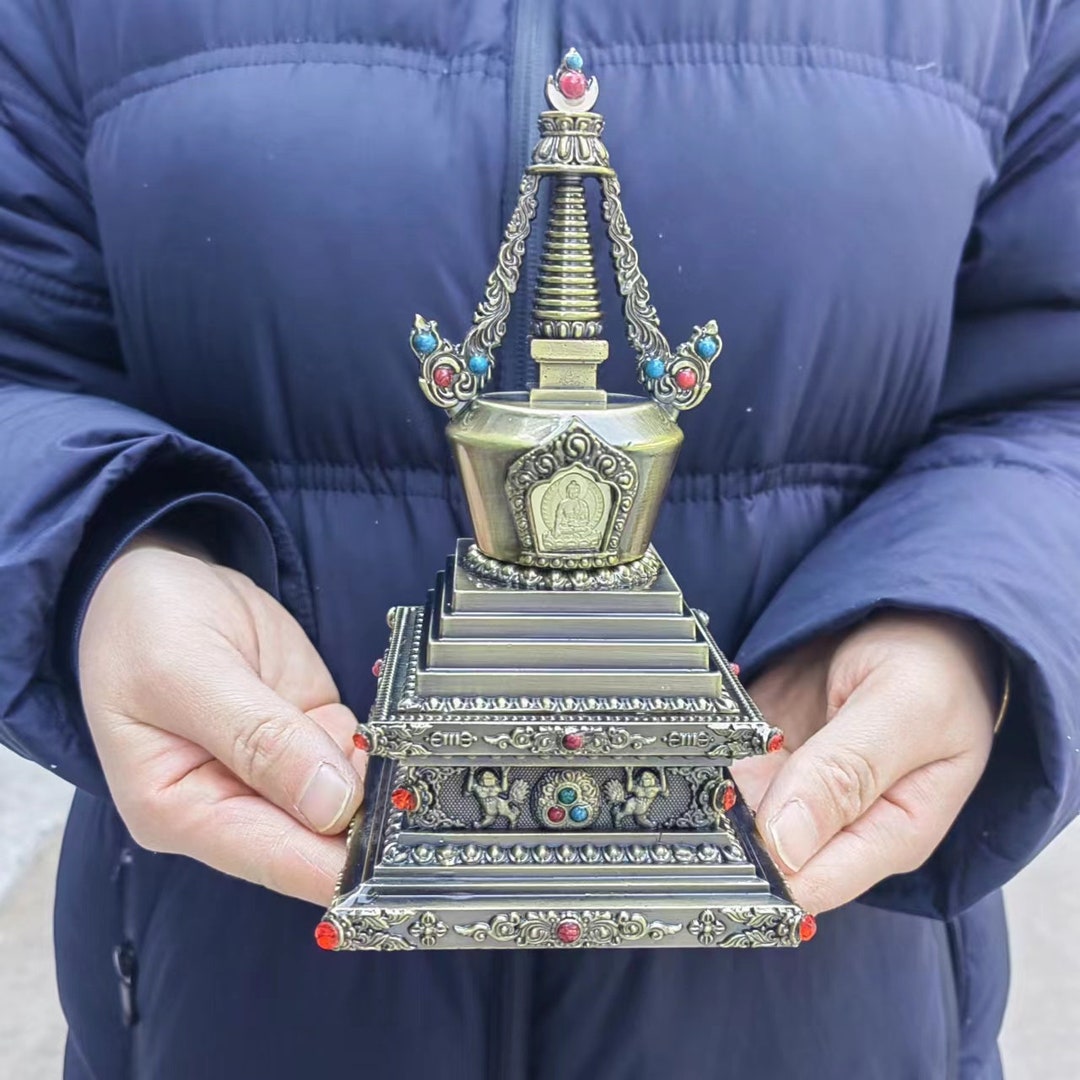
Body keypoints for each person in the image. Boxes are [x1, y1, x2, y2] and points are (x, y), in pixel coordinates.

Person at [1, 4, 1078, 1079]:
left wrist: (969, 617)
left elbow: (1053, 393)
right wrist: (103, 556)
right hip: (227, 1000)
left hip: (832, 1017)